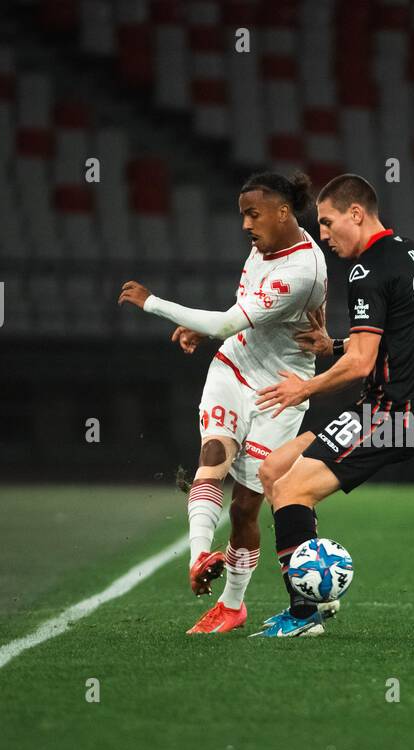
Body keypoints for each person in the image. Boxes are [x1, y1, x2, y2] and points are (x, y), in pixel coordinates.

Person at [118, 171, 326, 634]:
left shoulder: (302, 268)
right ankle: (198, 557)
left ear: (283, 212)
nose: (246, 225)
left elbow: (232, 321)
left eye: (253, 214)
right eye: (242, 215)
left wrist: (156, 304)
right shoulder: (264, 246)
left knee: (246, 507)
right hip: (233, 367)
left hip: (282, 390)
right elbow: (240, 314)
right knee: (212, 456)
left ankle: (234, 604)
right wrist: (206, 326)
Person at [253, 173, 414, 637]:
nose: (322, 235)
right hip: (408, 410)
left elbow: (362, 363)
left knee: (294, 490)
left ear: (356, 214)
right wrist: (334, 343)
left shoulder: (368, 268)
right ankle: (317, 594)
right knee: (275, 471)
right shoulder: (411, 253)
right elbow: (396, 340)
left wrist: (304, 387)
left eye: (327, 222)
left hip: (394, 415)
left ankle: (304, 615)